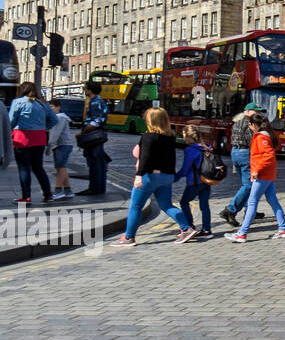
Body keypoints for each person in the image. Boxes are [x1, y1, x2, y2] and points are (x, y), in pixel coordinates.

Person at [111, 108, 197, 247]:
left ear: (150, 120)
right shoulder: (170, 137)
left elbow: (145, 158)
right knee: (166, 205)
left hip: (149, 176)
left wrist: (139, 175)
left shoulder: (148, 137)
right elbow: (172, 158)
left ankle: (128, 237)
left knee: (135, 207)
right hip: (166, 176)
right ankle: (186, 228)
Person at [226, 112, 285, 242]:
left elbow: (268, 156)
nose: (249, 126)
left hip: (262, 175)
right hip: (268, 175)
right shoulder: (264, 135)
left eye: (250, 124)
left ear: (254, 125)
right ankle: (283, 229)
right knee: (273, 201)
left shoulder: (261, 137)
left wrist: (256, 171)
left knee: (252, 202)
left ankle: (242, 233)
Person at [9, 82, 56, 204]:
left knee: (24, 167)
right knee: (38, 167)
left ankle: (26, 197)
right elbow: (54, 120)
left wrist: (12, 129)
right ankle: (48, 194)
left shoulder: (18, 102)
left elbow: (11, 120)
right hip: (40, 138)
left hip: (22, 137)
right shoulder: (42, 103)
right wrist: (44, 127)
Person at [220, 103, 262, 228]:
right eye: (255, 112)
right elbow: (252, 142)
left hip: (235, 153)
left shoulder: (237, 122)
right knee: (248, 185)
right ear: (248, 111)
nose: (257, 114)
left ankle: (250, 211)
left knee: (245, 185)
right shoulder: (249, 123)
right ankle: (230, 210)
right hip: (245, 153)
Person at [177, 125, 214, 240]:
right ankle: (207, 230)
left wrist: (174, 177)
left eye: (184, 135)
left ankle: (189, 227)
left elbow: (185, 169)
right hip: (207, 180)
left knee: (184, 202)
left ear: (188, 136)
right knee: (204, 206)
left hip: (195, 182)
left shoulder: (190, 150)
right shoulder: (206, 147)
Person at [77, 80, 110, 196]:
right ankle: (100, 187)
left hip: (93, 136)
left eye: (85, 89)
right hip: (97, 135)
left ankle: (94, 188)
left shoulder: (95, 102)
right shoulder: (98, 101)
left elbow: (96, 121)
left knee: (94, 162)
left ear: (90, 90)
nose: (84, 91)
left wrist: (83, 132)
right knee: (99, 162)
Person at [45, 100, 77, 200]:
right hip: (63, 145)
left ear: (58, 107)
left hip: (62, 145)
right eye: (49, 107)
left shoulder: (59, 118)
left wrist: (49, 147)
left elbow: (55, 135)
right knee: (61, 168)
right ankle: (68, 191)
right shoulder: (60, 117)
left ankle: (58, 191)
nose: (50, 109)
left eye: (52, 107)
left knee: (61, 167)